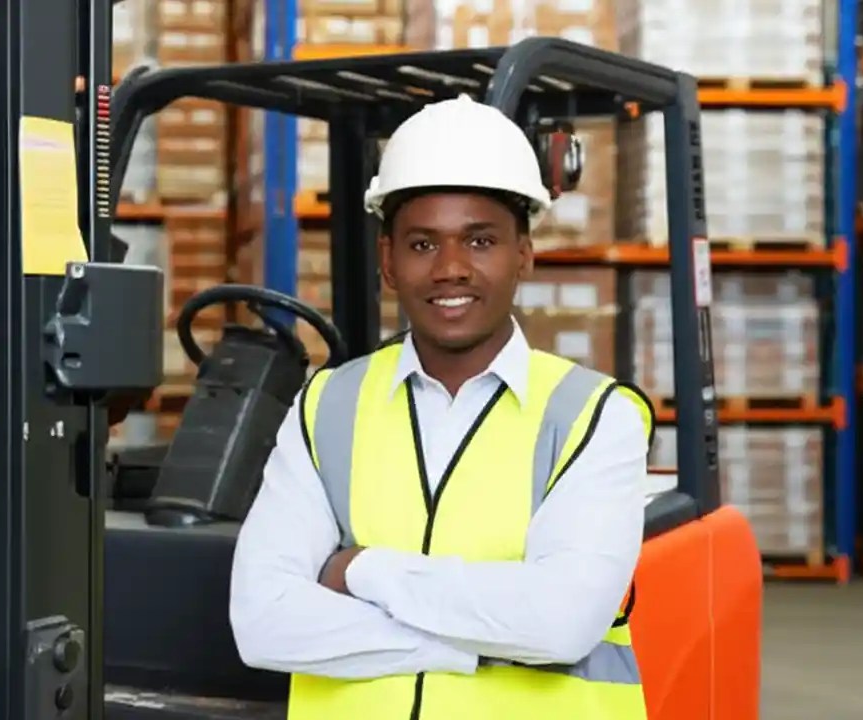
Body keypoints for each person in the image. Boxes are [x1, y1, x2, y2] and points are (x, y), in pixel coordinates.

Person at [228, 95, 655, 719]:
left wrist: (363, 572)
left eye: (479, 241)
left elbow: (559, 625)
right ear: (388, 262)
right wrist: (477, 646)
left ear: (523, 255)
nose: (451, 268)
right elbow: (262, 621)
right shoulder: (328, 405)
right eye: (423, 245)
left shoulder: (593, 417)